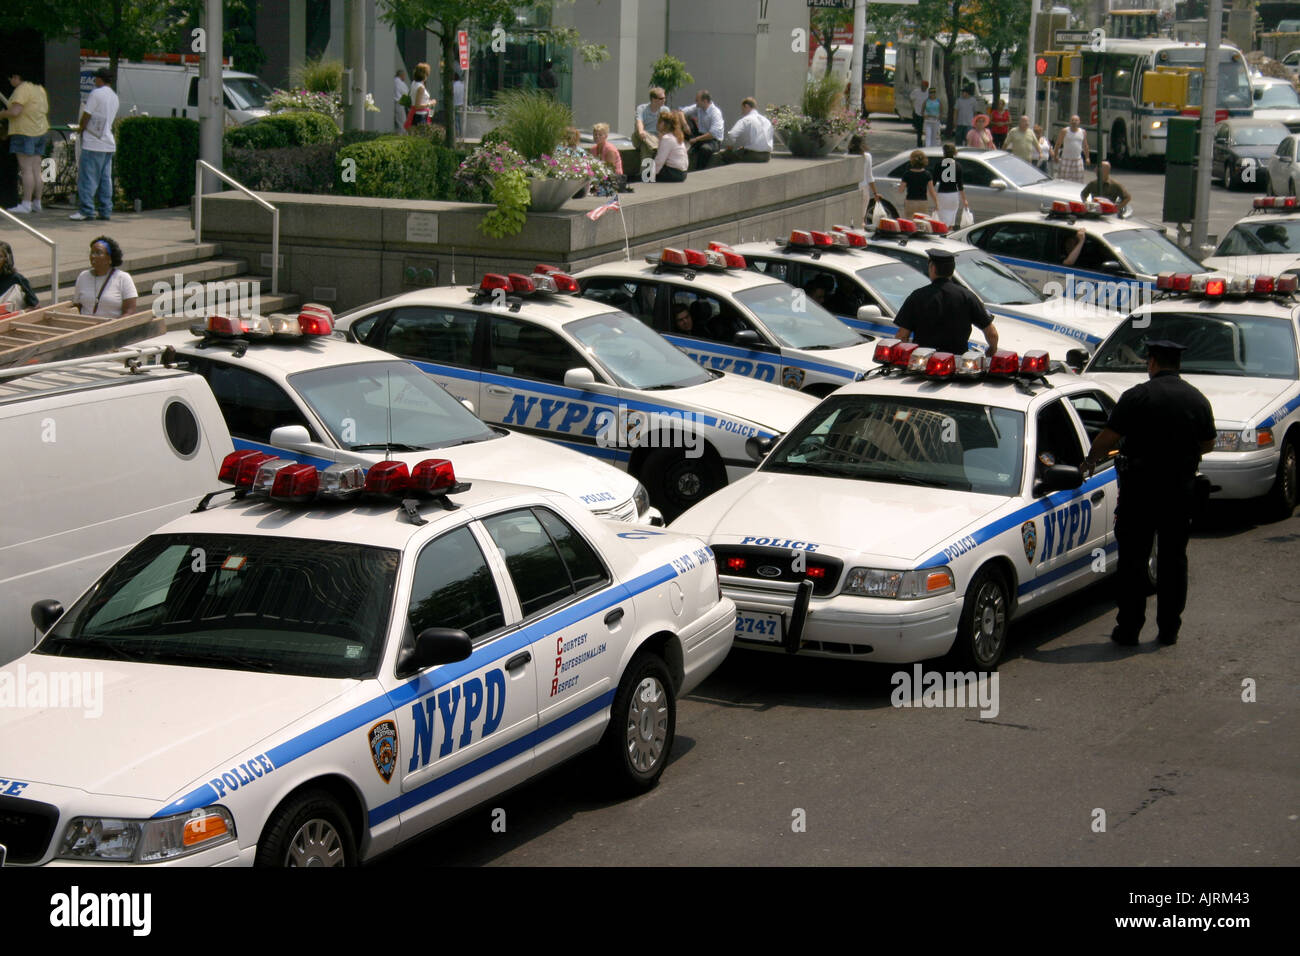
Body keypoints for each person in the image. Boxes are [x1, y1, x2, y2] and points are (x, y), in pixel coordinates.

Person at [1082, 339, 1216, 646]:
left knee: (1132, 560)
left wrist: (1090, 460)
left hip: (1139, 492)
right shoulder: (1197, 399)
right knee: (1173, 560)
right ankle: (1169, 629)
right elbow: (1208, 443)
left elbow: (1107, 439)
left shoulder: (1137, 397)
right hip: (1179, 493)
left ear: (1152, 363)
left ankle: (1129, 629)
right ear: (1178, 365)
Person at [893, 249, 999, 355]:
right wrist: (992, 350)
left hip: (924, 362)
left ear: (932, 268)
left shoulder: (917, 296)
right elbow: (991, 333)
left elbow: (902, 336)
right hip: (956, 364)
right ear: (952, 270)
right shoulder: (967, 296)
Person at [70, 67, 118, 222]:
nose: (94, 80)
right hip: (108, 142)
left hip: (93, 142)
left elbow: (87, 114)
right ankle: (105, 210)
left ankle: (86, 210)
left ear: (100, 79)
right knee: (105, 179)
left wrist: (80, 129)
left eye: (95, 78)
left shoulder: (96, 94)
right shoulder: (114, 96)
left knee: (88, 178)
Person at [2, 70, 50, 214]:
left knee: (26, 169)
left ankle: (26, 203)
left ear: (16, 77)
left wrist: (2, 114)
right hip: (41, 131)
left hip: (24, 132)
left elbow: (15, 111)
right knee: (36, 169)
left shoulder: (22, 89)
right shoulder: (39, 89)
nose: (11, 82)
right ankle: (37, 202)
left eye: (11, 78)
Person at [72, 236, 137, 318]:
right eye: (92, 252)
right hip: (86, 327)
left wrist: (109, 326)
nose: (93, 256)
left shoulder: (123, 278)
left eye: (98, 253)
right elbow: (77, 306)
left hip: (113, 328)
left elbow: (130, 311)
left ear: (109, 258)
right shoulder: (83, 276)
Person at [718, 97, 773, 163]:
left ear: (746, 106)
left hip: (752, 156)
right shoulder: (766, 121)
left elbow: (732, 135)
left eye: (742, 108)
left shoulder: (746, 119)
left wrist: (729, 147)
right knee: (741, 150)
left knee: (725, 155)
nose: (742, 111)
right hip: (766, 156)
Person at [680, 90, 724, 170]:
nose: (696, 102)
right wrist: (685, 125)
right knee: (682, 121)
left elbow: (713, 134)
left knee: (705, 149)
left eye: (697, 100)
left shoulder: (715, 113)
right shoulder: (699, 107)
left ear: (705, 101)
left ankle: (699, 170)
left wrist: (696, 139)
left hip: (712, 140)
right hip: (700, 135)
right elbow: (681, 112)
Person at [934, 142, 969, 230]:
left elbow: (933, 182)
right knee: (951, 220)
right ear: (954, 152)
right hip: (953, 195)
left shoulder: (938, 165)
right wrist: (964, 200)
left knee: (942, 219)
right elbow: (960, 185)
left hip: (942, 194)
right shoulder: (958, 166)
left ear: (944, 152)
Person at [897, 149, 938, 219]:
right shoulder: (927, 174)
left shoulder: (907, 174)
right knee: (922, 222)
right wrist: (937, 203)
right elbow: (931, 191)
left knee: (910, 222)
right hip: (922, 202)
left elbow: (901, 190)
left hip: (910, 201)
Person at [849, 134, 880, 224]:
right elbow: (869, 176)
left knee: (850, 217)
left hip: (851, 189)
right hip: (863, 188)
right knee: (861, 217)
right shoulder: (867, 156)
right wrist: (875, 193)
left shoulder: (846, 156)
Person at [0, 240, 38, 311]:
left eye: (0, 257)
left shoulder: (16, 279)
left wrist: (20, 313)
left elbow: (35, 305)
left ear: (6, 258)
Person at [633, 87, 667, 163]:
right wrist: (641, 131)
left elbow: (667, 126)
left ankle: (645, 174)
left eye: (665, 98)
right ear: (654, 99)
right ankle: (654, 146)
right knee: (643, 134)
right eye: (661, 98)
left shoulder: (665, 110)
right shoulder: (642, 108)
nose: (664, 100)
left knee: (645, 148)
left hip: (655, 138)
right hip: (641, 136)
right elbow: (639, 121)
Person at [653, 111, 689, 182]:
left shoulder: (667, 138)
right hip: (683, 173)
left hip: (673, 173)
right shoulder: (677, 136)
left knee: (648, 163)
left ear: (663, 124)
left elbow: (660, 160)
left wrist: (651, 175)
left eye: (659, 122)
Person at [1054, 114, 1089, 183]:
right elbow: (1058, 144)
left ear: (1079, 122)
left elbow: (1085, 146)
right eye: (1072, 120)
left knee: (1078, 182)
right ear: (1070, 122)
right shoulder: (1065, 131)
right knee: (1062, 181)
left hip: (1077, 160)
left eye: (1076, 120)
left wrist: (1087, 157)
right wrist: (1056, 155)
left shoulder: (1083, 132)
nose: (1074, 122)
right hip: (1065, 160)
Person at [406, 62, 434, 129]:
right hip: (420, 115)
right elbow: (417, 106)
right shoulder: (421, 87)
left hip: (416, 114)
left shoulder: (414, 83)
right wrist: (430, 103)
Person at [909, 80, 929, 147]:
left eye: (924, 86)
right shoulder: (916, 91)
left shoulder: (928, 93)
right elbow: (911, 99)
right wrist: (913, 107)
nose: (922, 87)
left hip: (925, 114)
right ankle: (919, 143)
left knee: (926, 129)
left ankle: (926, 142)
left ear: (927, 87)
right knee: (919, 129)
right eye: (922, 85)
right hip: (917, 112)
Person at [452, 70, 466, 139]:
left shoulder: (453, 86)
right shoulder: (462, 85)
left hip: (455, 104)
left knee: (456, 120)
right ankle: (460, 134)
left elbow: (452, 95)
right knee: (459, 120)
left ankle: (458, 134)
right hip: (461, 104)